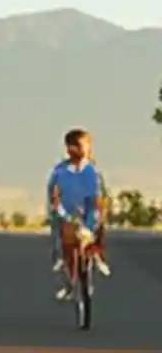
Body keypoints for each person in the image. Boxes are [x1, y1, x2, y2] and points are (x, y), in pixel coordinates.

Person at [49, 128, 111, 300]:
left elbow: (100, 196)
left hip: (89, 212)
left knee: (99, 225)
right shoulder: (60, 171)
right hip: (68, 213)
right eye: (79, 145)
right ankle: (68, 276)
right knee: (63, 239)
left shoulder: (93, 171)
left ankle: (98, 253)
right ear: (70, 148)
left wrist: (99, 211)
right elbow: (53, 194)